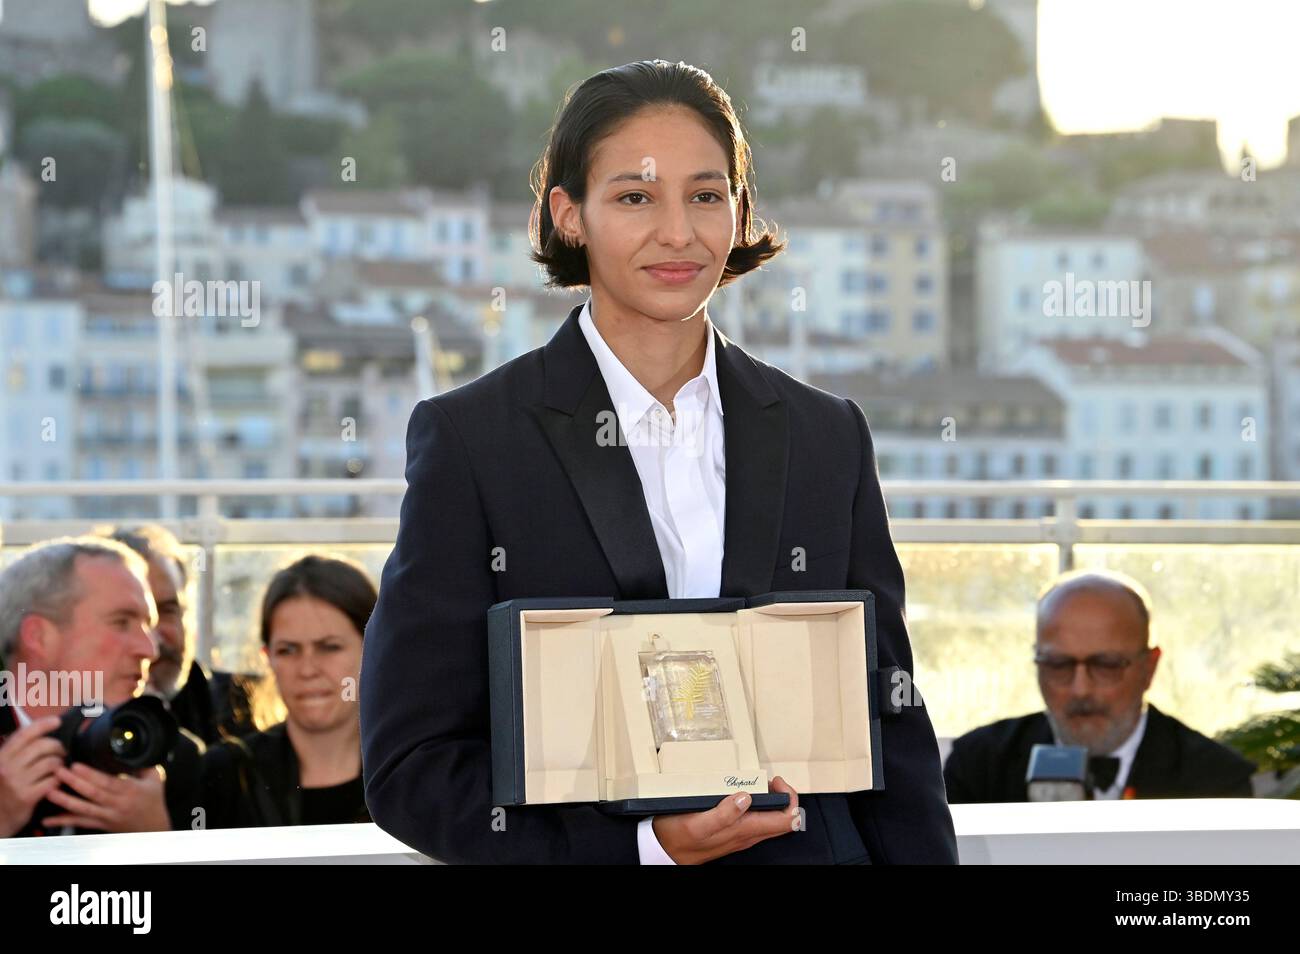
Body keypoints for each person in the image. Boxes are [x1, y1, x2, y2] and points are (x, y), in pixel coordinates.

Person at [360, 59, 957, 864]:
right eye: (636, 197)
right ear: (569, 215)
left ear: (740, 213)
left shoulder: (828, 436)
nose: (678, 232)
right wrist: (643, 848)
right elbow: (411, 765)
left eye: (706, 196)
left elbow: (895, 731)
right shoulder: (474, 442)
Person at [944, 569, 1257, 802]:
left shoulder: (1214, 779)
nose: (1080, 690)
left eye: (1106, 666)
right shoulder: (979, 765)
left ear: (1149, 667)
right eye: (1058, 665)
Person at [0, 537, 201, 837]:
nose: (150, 649)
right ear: (39, 636)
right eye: (121, 623)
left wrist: (155, 839)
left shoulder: (171, 756)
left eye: (149, 626)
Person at [199, 555, 373, 828]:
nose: (307, 669)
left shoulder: (411, 771)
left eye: (329, 647)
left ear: (372, 649)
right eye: (287, 650)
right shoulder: (227, 775)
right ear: (267, 658)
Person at [106, 525, 220, 745]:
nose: (152, 642)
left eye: (167, 611)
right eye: (125, 619)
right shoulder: (56, 715)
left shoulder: (240, 714)